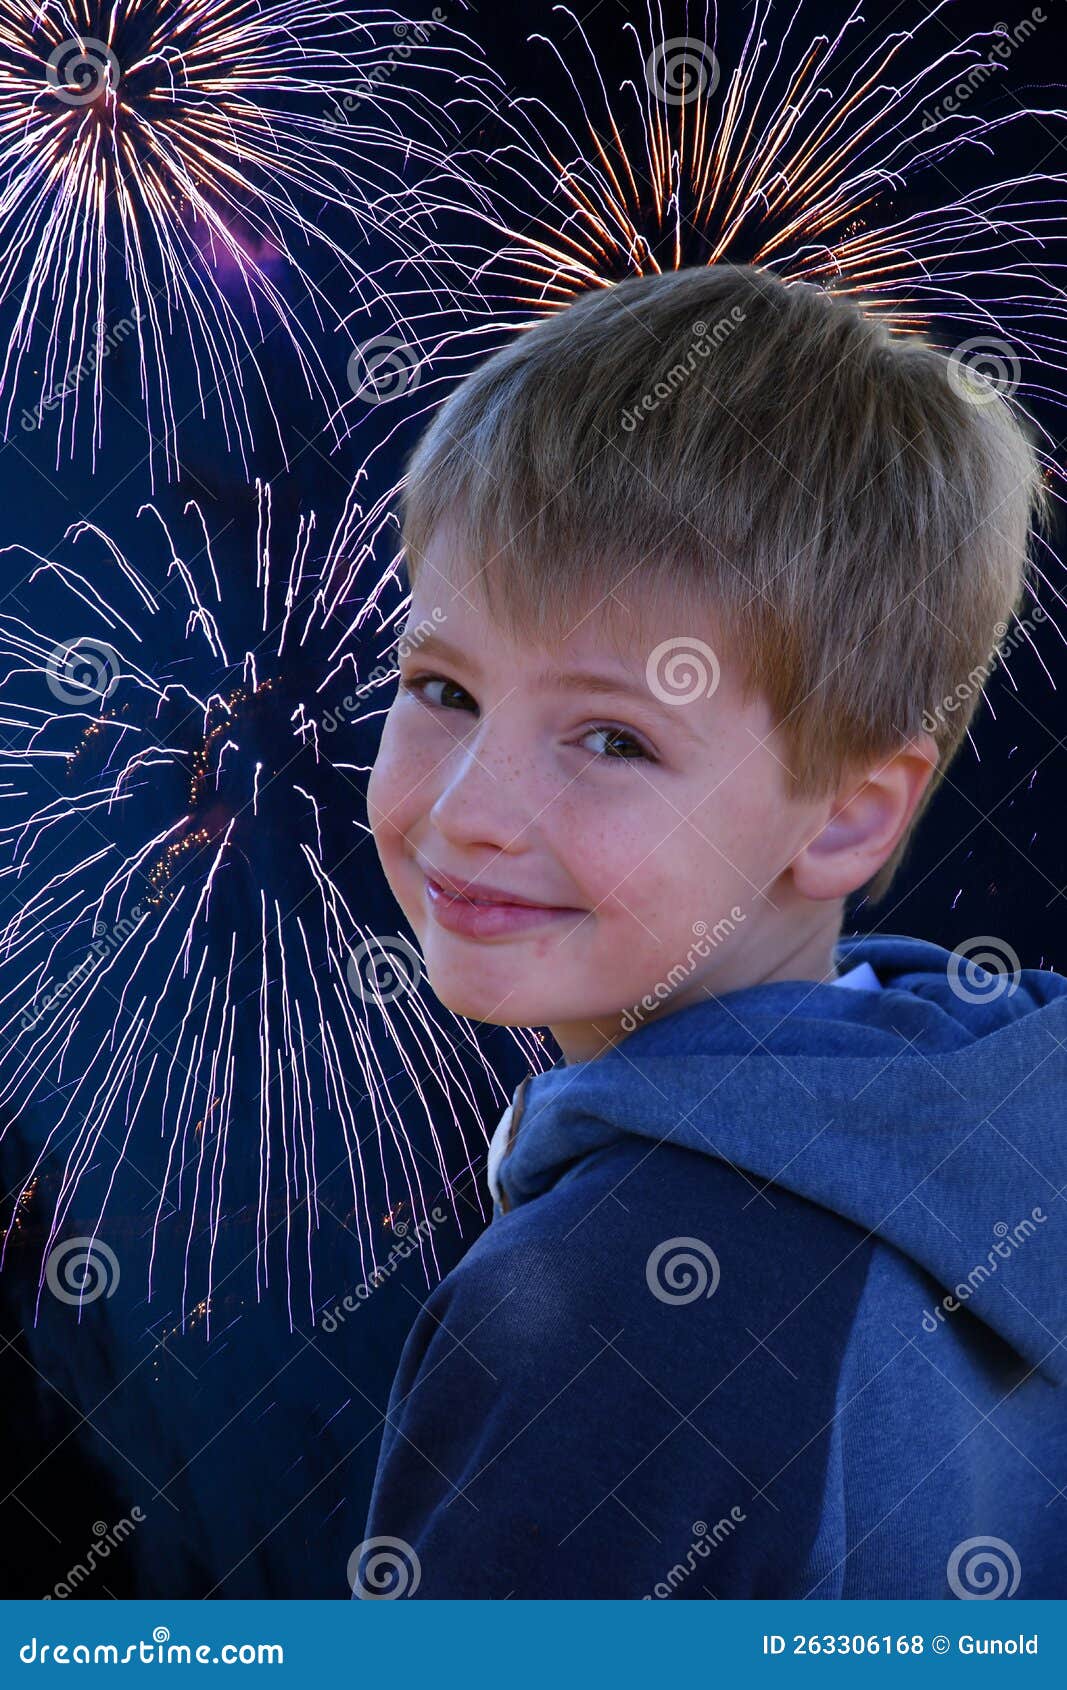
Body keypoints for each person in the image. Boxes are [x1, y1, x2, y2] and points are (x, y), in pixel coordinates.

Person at [356, 264, 1067, 1598]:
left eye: (614, 737)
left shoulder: (599, 1310)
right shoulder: (999, 1144)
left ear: (851, 817)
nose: (468, 811)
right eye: (442, 687)